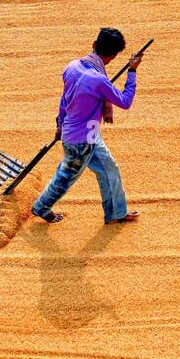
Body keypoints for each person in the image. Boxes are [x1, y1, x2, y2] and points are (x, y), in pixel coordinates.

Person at [30, 28, 146, 225]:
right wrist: (132, 70)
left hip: (85, 134)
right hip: (81, 141)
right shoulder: (99, 80)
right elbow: (125, 101)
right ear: (114, 55)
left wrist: (60, 123)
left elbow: (65, 99)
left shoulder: (72, 67)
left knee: (109, 169)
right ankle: (41, 207)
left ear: (94, 44)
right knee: (65, 177)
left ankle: (116, 213)